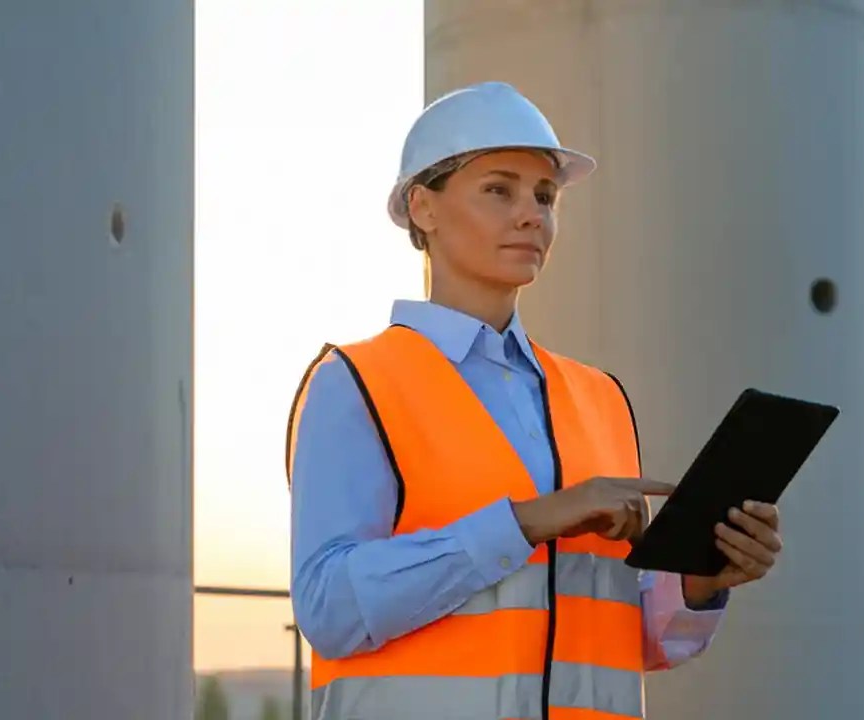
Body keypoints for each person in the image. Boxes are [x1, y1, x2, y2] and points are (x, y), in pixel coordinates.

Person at [285, 81, 785, 720]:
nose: (532, 214)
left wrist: (703, 579)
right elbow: (330, 611)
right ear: (423, 208)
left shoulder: (599, 397)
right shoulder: (354, 381)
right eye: (499, 190)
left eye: (545, 197)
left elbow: (621, 633)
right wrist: (527, 521)